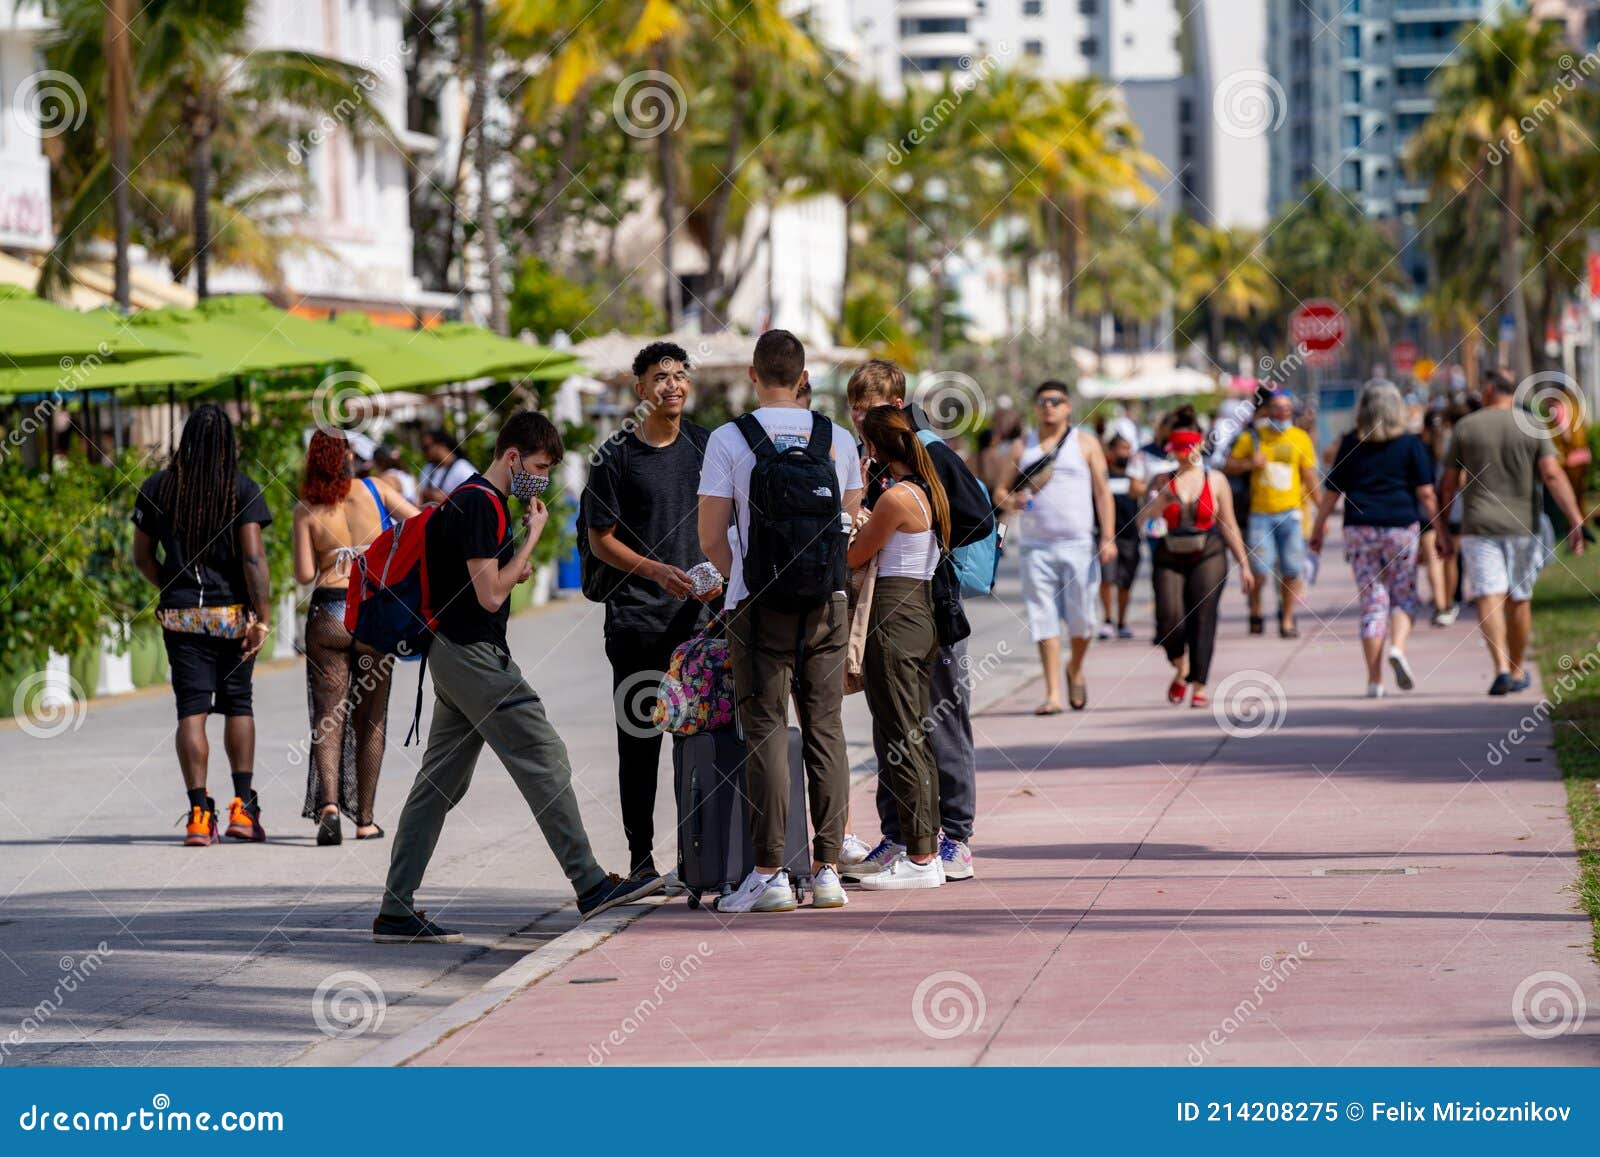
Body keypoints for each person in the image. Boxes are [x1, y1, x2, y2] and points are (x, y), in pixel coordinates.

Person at [375, 410, 661, 943]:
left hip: (452, 655)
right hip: (475, 658)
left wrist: (514, 562)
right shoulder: (482, 505)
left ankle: (395, 909)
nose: (543, 476)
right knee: (545, 754)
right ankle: (591, 883)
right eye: (539, 465)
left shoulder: (471, 502)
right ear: (512, 457)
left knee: (438, 784)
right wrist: (531, 539)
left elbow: (483, 584)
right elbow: (490, 594)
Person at [696, 330, 863, 913]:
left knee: (764, 729)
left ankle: (768, 873)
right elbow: (849, 523)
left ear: (752, 374)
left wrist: (742, 575)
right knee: (826, 729)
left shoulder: (728, 439)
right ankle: (827, 872)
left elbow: (710, 537)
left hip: (754, 603)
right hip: (827, 603)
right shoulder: (837, 438)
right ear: (804, 377)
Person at [842, 359, 996, 882]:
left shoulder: (927, 452)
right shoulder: (880, 463)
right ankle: (901, 833)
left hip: (934, 612)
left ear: (899, 406)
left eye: (875, 410)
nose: (864, 420)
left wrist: (930, 542)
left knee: (940, 723)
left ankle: (954, 836)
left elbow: (978, 514)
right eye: (858, 410)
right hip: (903, 612)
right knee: (894, 723)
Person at [584, 341, 715, 882]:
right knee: (637, 746)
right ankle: (641, 861)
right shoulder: (614, 457)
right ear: (639, 388)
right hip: (637, 622)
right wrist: (656, 571)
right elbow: (600, 541)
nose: (674, 385)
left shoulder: (707, 447)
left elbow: (730, 522)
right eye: (661, 377)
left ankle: (698, 856)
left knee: (697, 741)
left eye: (681, 375)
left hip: (700, 626)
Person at [131, 404, 274, 846]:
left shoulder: (158, 487)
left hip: (181, 617)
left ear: (185, 439)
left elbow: (141, 557)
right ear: (228, 443)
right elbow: (253, 558)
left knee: (191, 710)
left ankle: (197, 814)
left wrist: (171, 588)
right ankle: (243, 810)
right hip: (232, 615)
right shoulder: (241, 489)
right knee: (238, 704)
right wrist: (263, 617)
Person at [844, 406, 953, 890]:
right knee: (914, 735)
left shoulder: (894, 498)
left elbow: (854, 554)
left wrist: (855, 508)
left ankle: (922, 857)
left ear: (877, 448)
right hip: (920, 611)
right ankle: (924, 847)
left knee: (900, 737)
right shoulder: (930, 491)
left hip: (893, 614)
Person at [293, 430, 419, 843]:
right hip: (372, 610)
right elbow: (419, 523)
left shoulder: (307, 508)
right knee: (372, 719)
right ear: (347, 456)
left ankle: (329, 805)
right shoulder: (375, 489)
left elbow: (304, 574)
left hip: (329, 611)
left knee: (329, 715)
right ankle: (365, 819)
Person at [1437, 370, 1586, 696]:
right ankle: (1517, 670)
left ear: (1488, 390)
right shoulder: (1532, 425)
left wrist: (1443, 528)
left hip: (1479, 526)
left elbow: (1448, 483)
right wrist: (1575, 518)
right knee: (1520, 598)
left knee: (1488, 595)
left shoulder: (1467, 426)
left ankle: (1501, 669)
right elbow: (1552, 475)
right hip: (1524, 525)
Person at [992, 381, 1116, 714]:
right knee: (1042, 617)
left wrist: (1108, 536)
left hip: (1079, 545)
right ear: (1035, 407)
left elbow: (1103, 492)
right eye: (1043, 401)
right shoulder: (1022, 447)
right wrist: (1013, 501)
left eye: (1056, 401)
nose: (1049, 406)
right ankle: (1053, 694)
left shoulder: (1086, 443)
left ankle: (1074, 667)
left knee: (1084, 622)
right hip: (1036, 547)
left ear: (1068, 406)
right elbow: (999, 491)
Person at [1310, 381, 1439, 698]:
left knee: (1372, 602)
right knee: (1403, 597)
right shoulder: (1410, 444)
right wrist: (1440, 528)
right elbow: (1425, 491)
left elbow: (1331, 492)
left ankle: (1374, 680)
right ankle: (1397, 647)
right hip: (1400, 527)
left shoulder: (1350, 443)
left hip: (1360, 530)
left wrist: (1318, 528)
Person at [1138, 409, 1253, 707]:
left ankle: (1199, 684)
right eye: (1177, 449)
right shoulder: (1161, 480)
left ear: (1199, 447)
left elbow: (1229, 523)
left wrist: (1245, 564)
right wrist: (1158, 504)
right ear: (1170, 451)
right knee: (1169, 618)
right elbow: (1143, 524)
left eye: (1188, 447)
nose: (1183, 454)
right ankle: (1181, 668)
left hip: (1208, 553)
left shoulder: (1215, 480)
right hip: (1170, 552)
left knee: (1204, 616)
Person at [1226, 390, 1319, 638]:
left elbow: (1309, 476)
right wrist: (1249, 463)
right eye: (1278, 408)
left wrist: (1322, 511)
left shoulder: (1300, 438)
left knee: (1291, 571)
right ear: (1267, 410)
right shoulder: (1253, 437)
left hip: (1291, 514)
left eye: (1287, 408)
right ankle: (1256, 610)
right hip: (1260, 515)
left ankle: (1287, 619)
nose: (1283, 412)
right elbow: (1228, 465)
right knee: (1259, 570)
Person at [1098, 432, 1145, 640]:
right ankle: (1107, 619)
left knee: (1126, 582)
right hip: (1107, 535)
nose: (1127, 453)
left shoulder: (1134, 477)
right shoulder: (1103, 476)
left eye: (1129, 449)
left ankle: (1122, 621)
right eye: (1123, 448)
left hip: (1130, 536)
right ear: (1112, 450)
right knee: (1107, 579)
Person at [417, 428, 476, 504]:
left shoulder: (462, 468)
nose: (423, 453)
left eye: (426, 448)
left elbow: (476, 497)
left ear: (441, 445)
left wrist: (445, 499)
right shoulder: (427, 468)